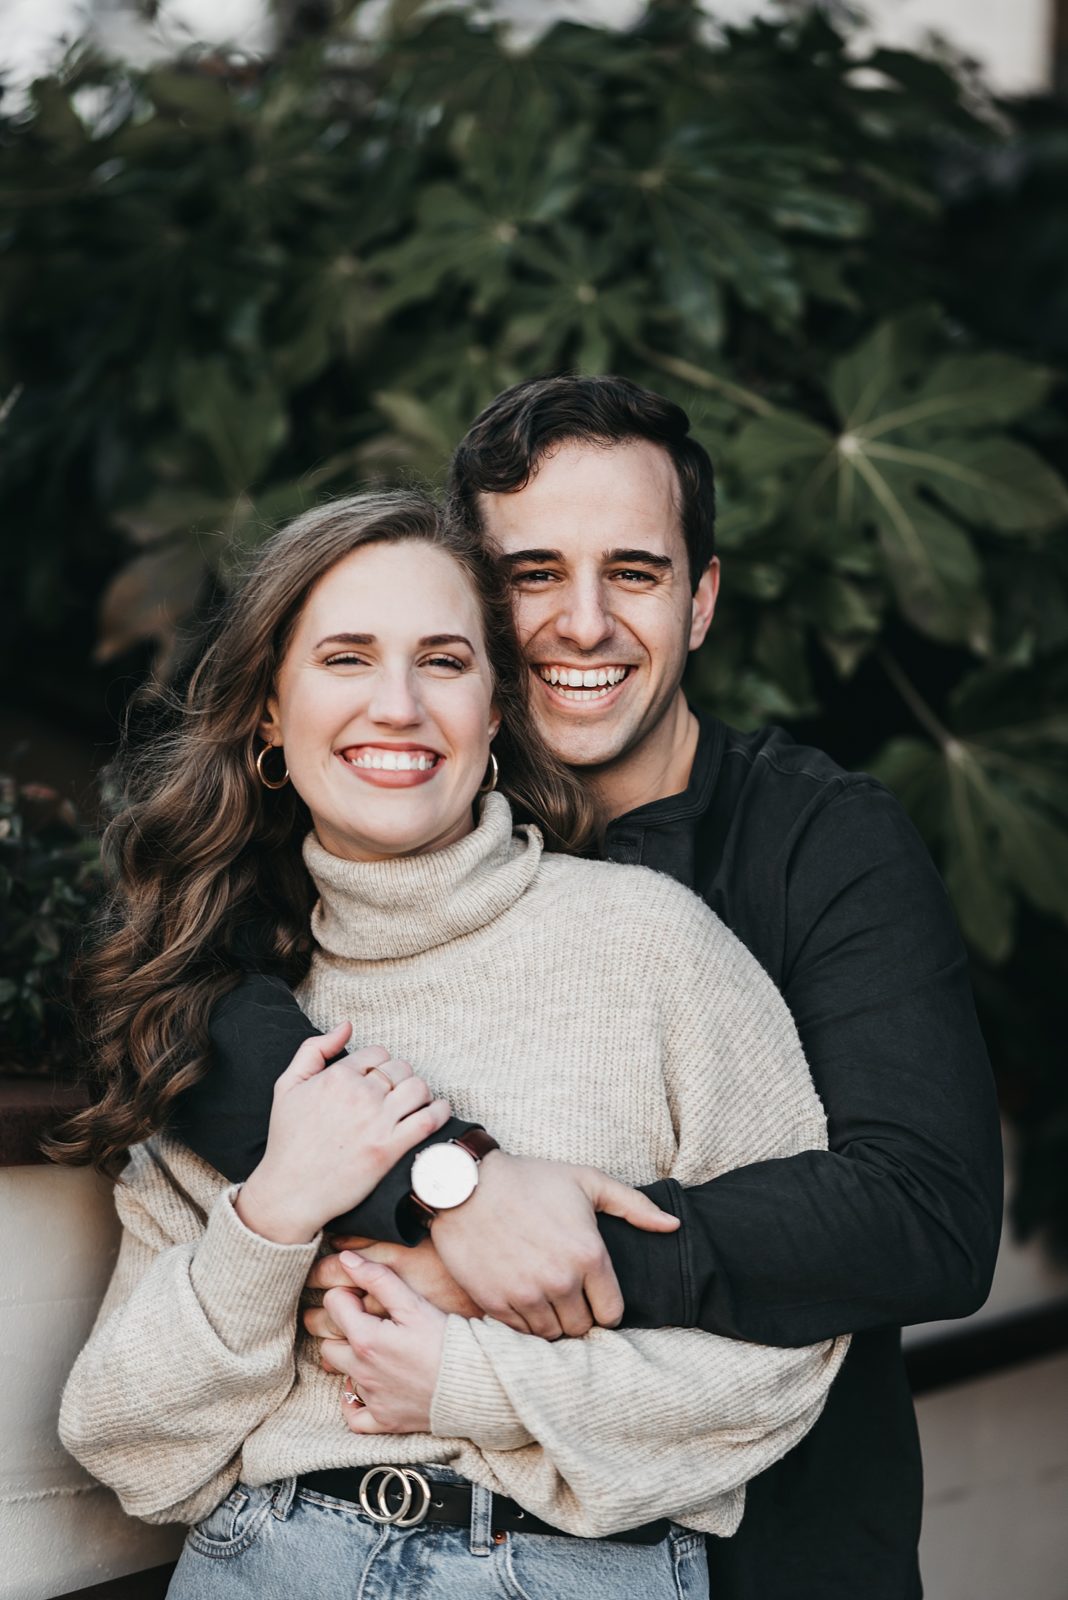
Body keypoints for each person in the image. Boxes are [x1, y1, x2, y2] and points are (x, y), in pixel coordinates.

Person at [187, 376, 1003, 1599]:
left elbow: (922, 1213)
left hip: (777, 1553)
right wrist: (442, 1182)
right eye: (530, 574)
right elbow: (189, 1002)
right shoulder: (397, 803)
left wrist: (551, 1252)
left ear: (701, 600)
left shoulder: (823, 839)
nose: (583, 622)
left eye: (634, 571)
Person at [53, 492, 849, 1600]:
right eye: (345, 657)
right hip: (272, 1560)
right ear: (270, 717)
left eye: (443, 659)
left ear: (494, 708)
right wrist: (275, 1213)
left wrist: (468, 1382)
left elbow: (785, 1351)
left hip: (576, 1571)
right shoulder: (233, 1019)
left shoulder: (654, 949)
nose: (398, 703)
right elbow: (127, 1441)